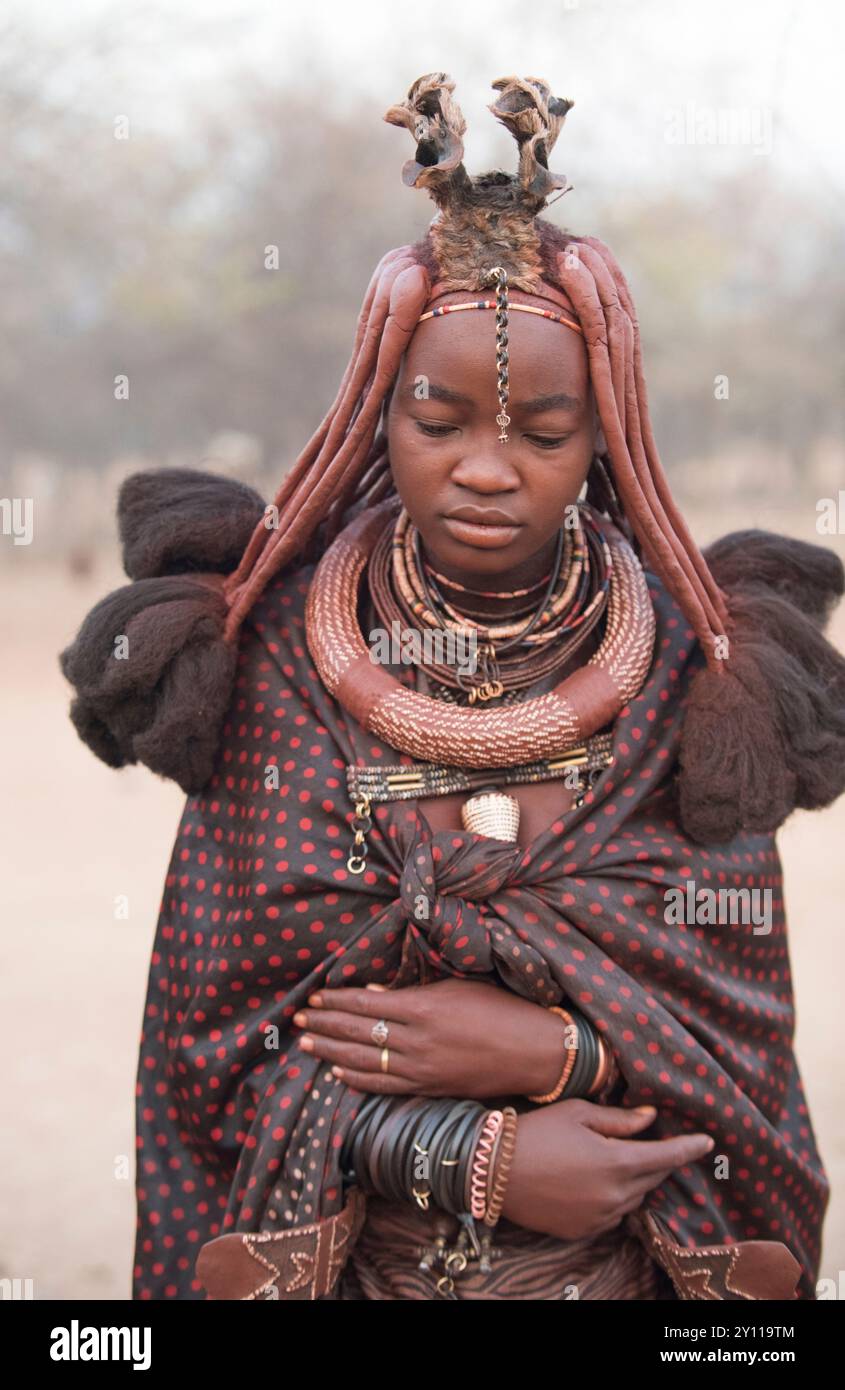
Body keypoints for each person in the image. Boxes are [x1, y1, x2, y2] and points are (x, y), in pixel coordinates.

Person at [60, 73, 845, 1301]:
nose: (488, 470)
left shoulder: (691, 683)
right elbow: (216, 1043)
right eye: (438, 423)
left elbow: (732, 1051)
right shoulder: (274, 666)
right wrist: (466, 1152)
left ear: (605, 438)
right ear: (378, 418)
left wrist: (568, 1047)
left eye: (542, 433)